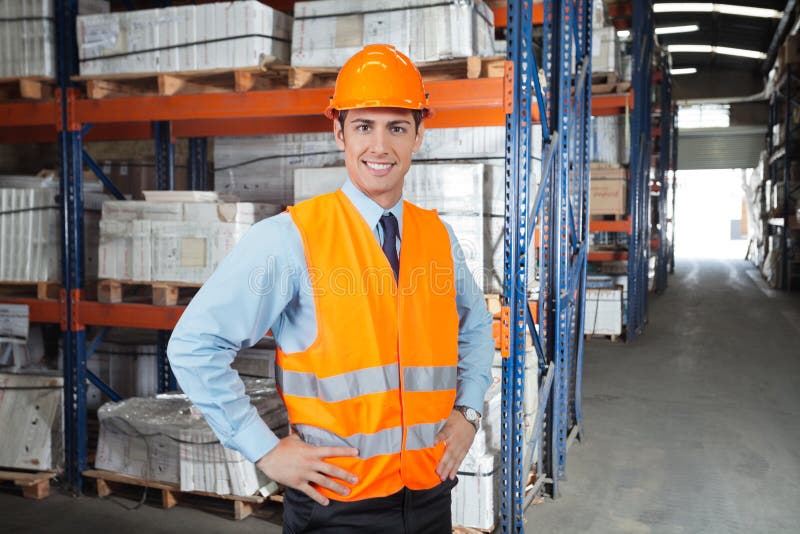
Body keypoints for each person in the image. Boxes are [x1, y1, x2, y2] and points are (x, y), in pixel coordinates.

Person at [168, 44, 494, 533]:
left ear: (419, 134)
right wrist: (265, 448)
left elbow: (475, 325)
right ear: (338, 131)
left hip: (429, 497)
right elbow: (194, 345)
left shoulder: (437, 237)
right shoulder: (291, 238)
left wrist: (468, 411)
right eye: (364, 126)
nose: (380, 147)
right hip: (338, 507)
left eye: (397, 127)